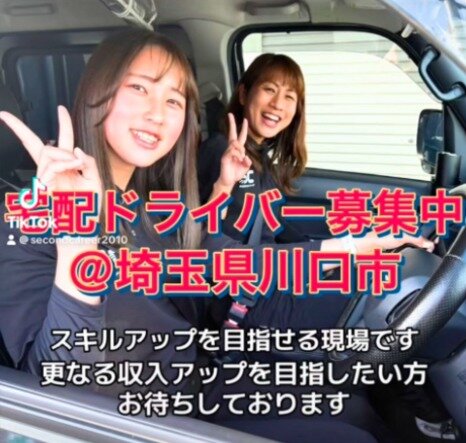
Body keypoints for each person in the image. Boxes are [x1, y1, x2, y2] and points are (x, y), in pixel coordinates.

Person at [0, 29, 395, 442]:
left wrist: (353, 246)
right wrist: (78, 237)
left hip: (197, 382)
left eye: (174, 100)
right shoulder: (27, 224)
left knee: (353, 408)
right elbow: (59, 389)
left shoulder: (145, 209)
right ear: (97, 92)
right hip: (139, 420)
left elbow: (234, 258)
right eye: (139, 88)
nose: (158, 114)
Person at [198, 53, 434, 329]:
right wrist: (350, 247)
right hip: (242, 299)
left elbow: (273, 226)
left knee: (380, 278)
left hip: (267, 283)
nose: (278, 104)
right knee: (386, 299)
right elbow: (209, 247)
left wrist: (343, 249)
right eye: (269, 89)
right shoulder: (219, 153)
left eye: (289, 97)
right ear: (243, 94)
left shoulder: (258, 158)